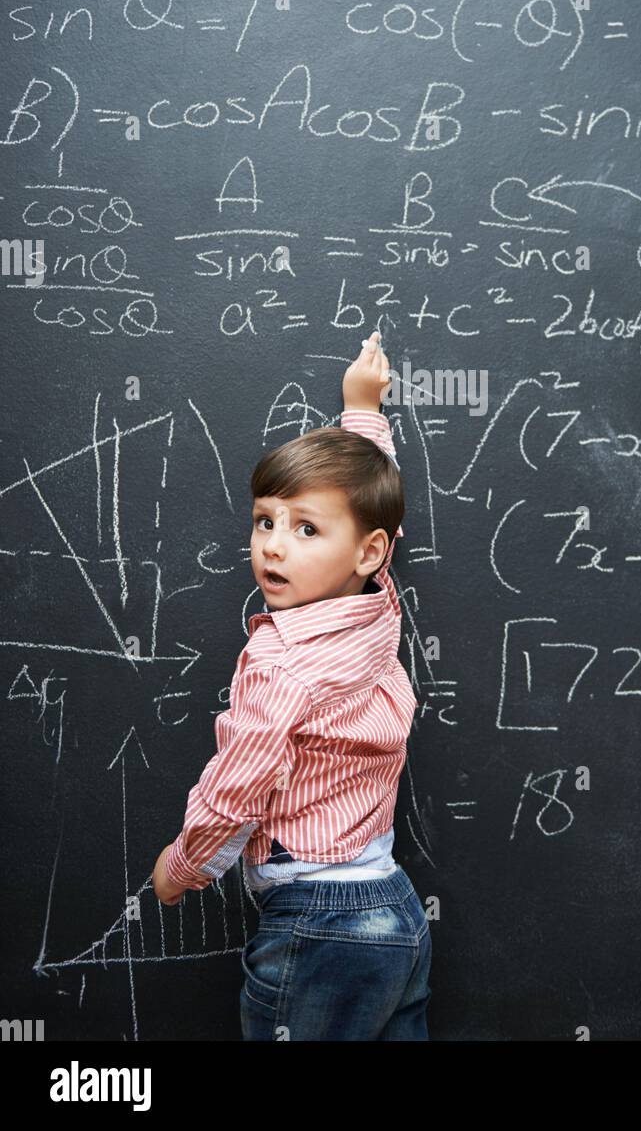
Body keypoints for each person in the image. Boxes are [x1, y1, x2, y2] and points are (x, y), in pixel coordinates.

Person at [151, 330, 431, 1040]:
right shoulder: (376, 604)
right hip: (394, 909)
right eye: (264, 522)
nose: (273, 544)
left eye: (304, 529)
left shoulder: (280, 664)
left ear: (365, 552)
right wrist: (362, 414)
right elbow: (374, 508)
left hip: (319, 926)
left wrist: (183, 867)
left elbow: (238, 786)